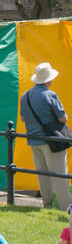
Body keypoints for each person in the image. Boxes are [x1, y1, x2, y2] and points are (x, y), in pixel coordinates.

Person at [20, 62, 72, 210]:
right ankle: (66, 208)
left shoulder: (25, 96)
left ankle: (47, 204)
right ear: (48, 79)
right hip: (51, 140)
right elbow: (63, 118)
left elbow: (23, 118)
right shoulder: (50, 95)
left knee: (42, 175)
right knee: (60, 176)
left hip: (33, 140)